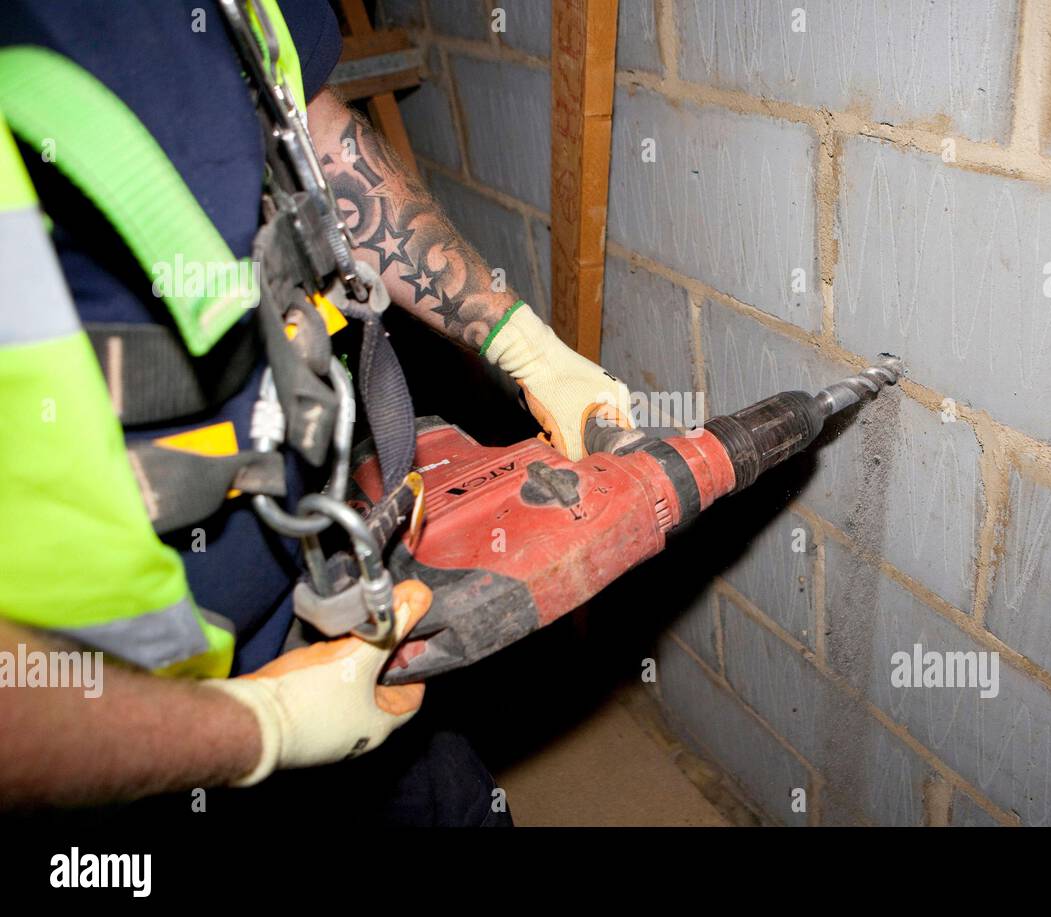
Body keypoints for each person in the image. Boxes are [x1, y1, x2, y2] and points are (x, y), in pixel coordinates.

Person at [0, 0, 631, 825]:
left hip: (308, 566)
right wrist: (265, 726)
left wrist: (523, 345)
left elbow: (316, 135)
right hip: (104, 707)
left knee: (457, 804)